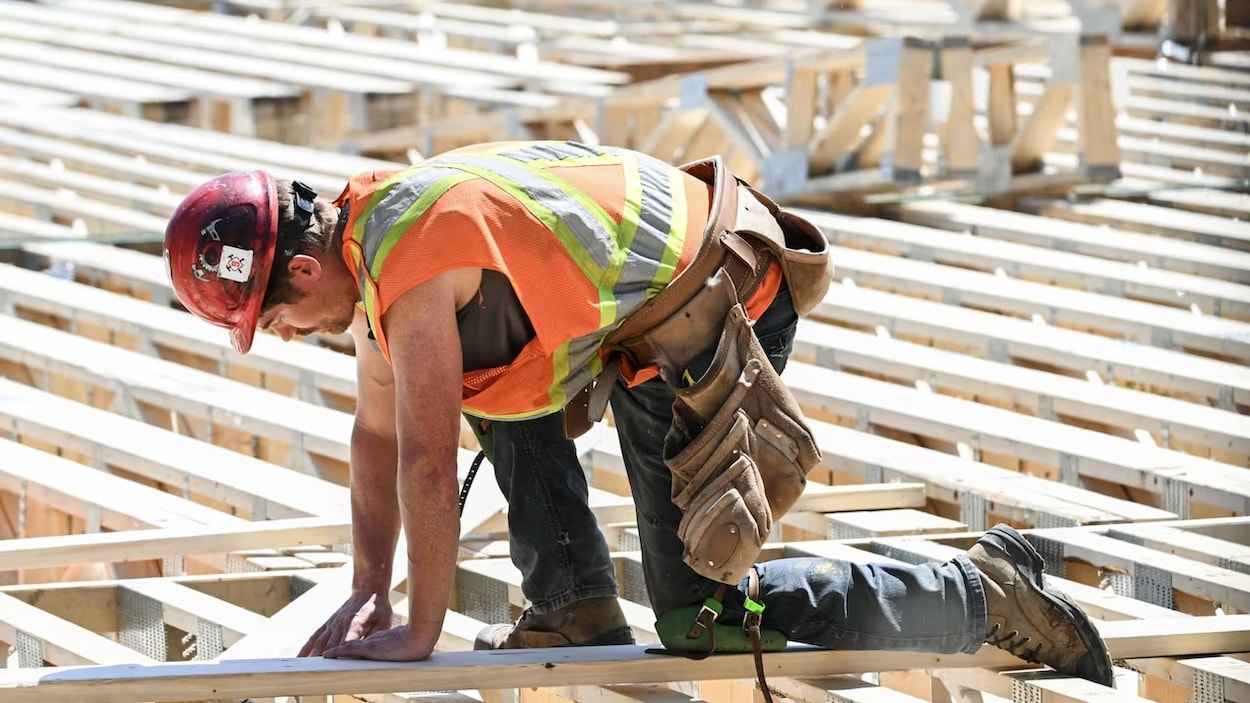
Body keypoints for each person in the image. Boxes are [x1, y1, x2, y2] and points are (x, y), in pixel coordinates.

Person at [162, 140, 1114, 688]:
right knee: (473, 372)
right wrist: (369, 586)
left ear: (300, 269)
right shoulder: (372, 232)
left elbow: (423, 461)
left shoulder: (409, 258)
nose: (284, 335)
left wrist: (419, 627)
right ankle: (573, 604)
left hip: (718, 299)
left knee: (700, 615)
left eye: (274, 320)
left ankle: (974, 590)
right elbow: (378, 436)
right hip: (659, 305)